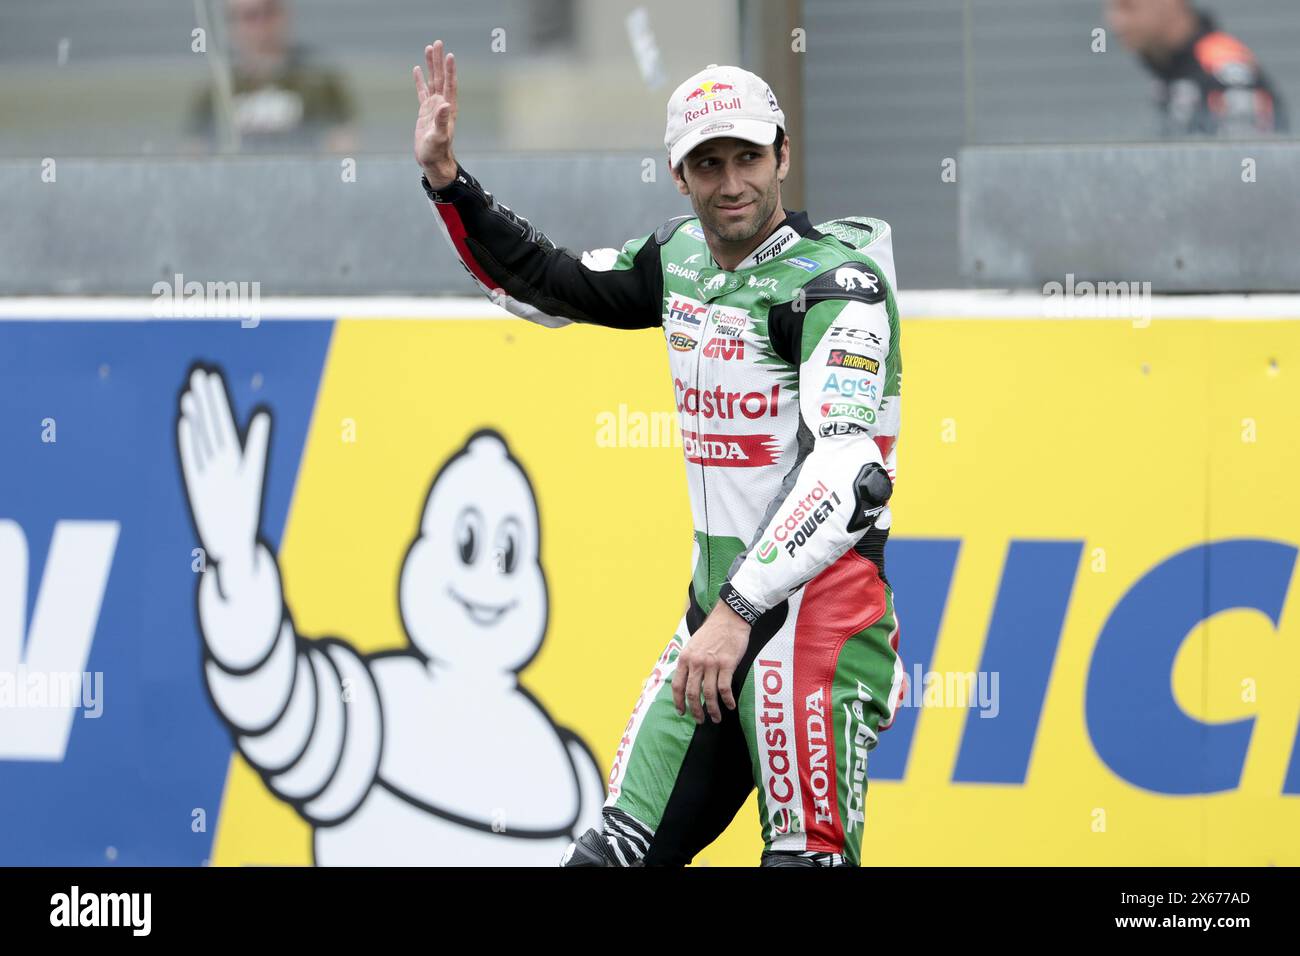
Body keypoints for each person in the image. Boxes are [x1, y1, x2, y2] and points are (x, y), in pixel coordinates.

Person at [413, 41, 906, 867]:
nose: (732, 183)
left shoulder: (837, 287)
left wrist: (739, 611)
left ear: (784, 154)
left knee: (800, 863)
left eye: (748, 156)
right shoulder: (677, 260)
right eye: (707, 164)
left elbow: (849, 478)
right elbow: (550, 281)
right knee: (611, 855)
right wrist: (447, 179)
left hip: (813, 626)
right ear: (679, 175)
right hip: (714, 622)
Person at [189, 0, 356, 152]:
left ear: (284, 15)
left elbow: (344, 148)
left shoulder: (318, 76)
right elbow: (195, 154)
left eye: (269, 13)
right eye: (250, 17)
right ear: (232, 25)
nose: (261, 26)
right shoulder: (218, 86)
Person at [1105, 0, 1287, 137]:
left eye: (1127, 7)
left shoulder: (1222, 71)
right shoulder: (1170, 66)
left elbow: (1245, 176)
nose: (1114, 21)